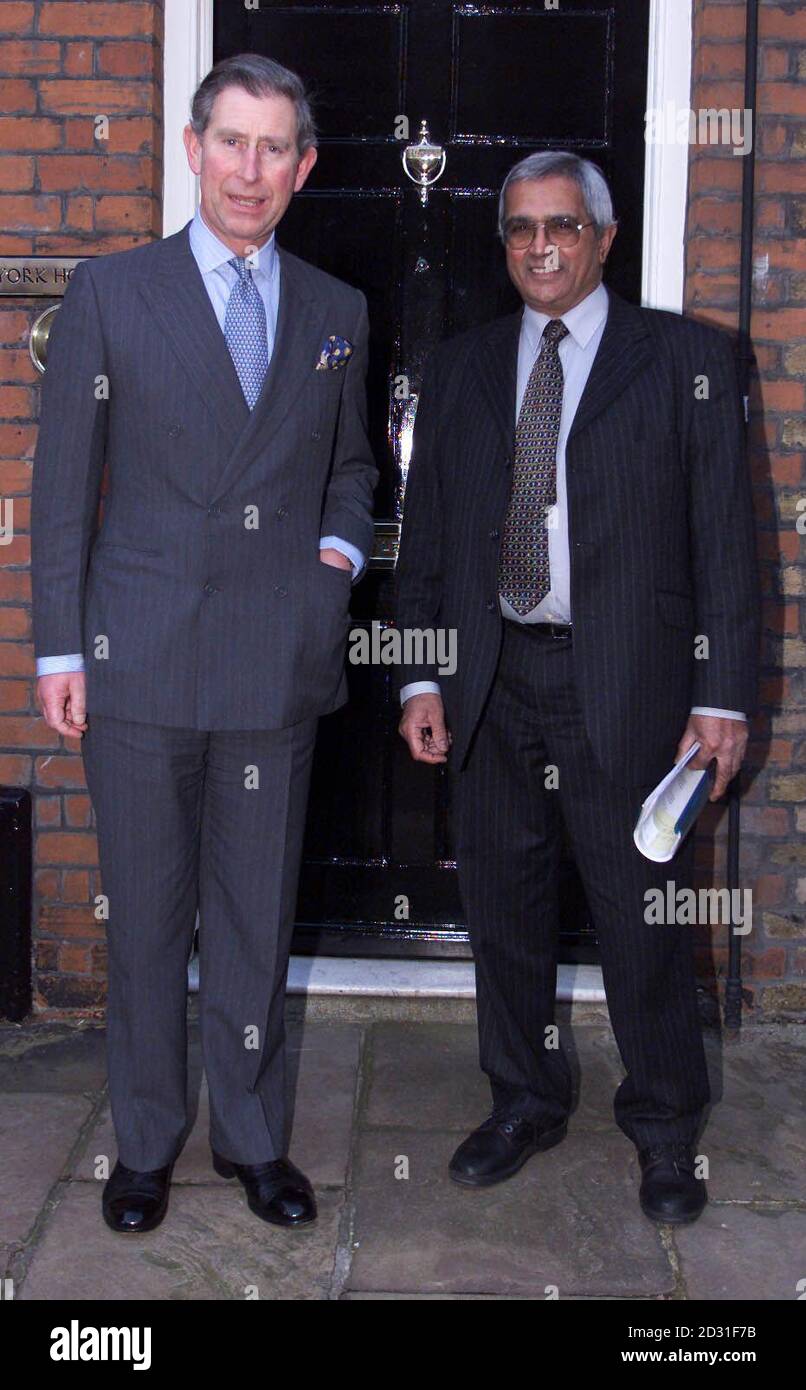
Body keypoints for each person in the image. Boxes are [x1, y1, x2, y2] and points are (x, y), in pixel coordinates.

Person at [31, 53, 377, 1234]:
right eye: (231, 141)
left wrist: (332, 561)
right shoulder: (112, 294)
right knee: (147, 915)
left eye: (275, 146)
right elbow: (64, 483)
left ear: (303, 167)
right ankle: (141, 1145)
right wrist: (58, 651)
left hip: (270, 663)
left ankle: (250, 1137)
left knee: (253, 917)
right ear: (191, 149)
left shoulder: (336, 311)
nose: (250, 168)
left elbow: (349, 470)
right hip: (139, 660)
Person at [395, 151, 759, 1224]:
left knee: (639, 914)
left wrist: (721, 700)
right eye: (518, 229)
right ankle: (522, 1097)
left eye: (559, 225)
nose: (538, 246)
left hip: (628, 688)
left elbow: (727, 550)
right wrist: (420, 674)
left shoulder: (687, 361)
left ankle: (661, 1128)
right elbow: (427, 543)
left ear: (602, 238)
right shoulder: (458, 368)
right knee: (502, 911)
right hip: (490, 679)